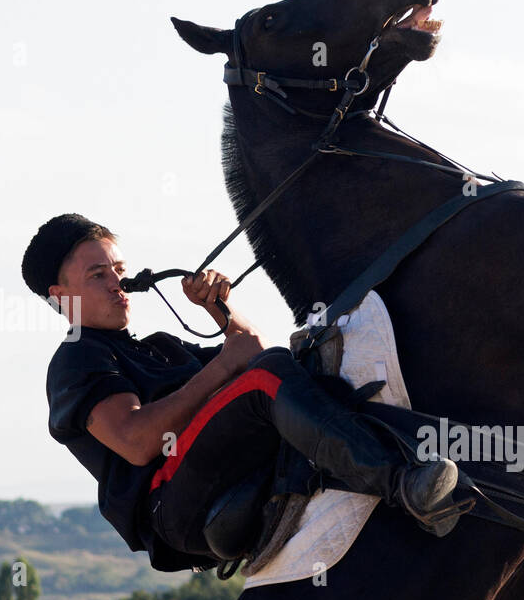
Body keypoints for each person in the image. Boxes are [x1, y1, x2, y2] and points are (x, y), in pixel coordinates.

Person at [23, 213, 465, 572]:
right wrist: (224, 365)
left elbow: (253, 351)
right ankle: (402, 481)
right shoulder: (75, 360)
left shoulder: (161, 346)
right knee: (263, 380)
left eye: (118, 270)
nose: (117, 283)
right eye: (98, 275)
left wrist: (220, 308)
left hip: (215, 473)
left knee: (300, 363)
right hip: (173, 508)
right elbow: (137, 443)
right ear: (61, 297)